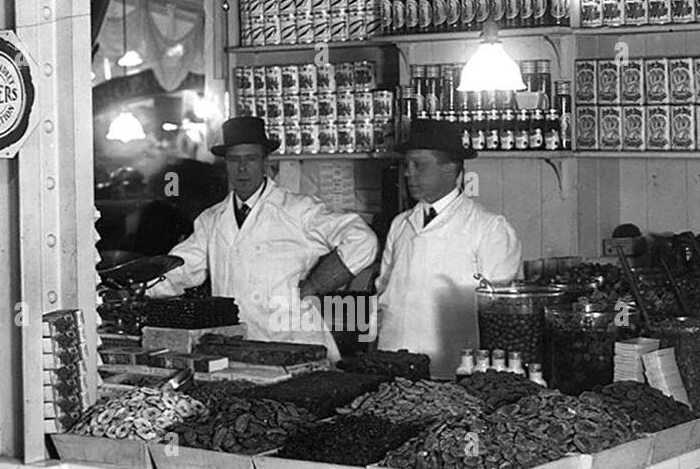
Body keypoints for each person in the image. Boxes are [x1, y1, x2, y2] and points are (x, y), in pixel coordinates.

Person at [149, 116, 377, 359]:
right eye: (235, 160)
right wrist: (137, 287)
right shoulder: (212, 220)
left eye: (251, 159)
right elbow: (180, 269)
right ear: (225, 164)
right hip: (237, 346)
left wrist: (315, 285)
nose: (242, 168)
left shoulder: (298, 210)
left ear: (265, 162)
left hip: (295, 344)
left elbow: (362, 239)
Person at [374, 117, 522, 377]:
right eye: (406, 165)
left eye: (418, 165)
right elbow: (384, 293)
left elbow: (500, 315)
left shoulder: (489, 228)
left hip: (451, 369)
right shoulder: (400, 225)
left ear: (450, 169)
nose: (408, 173)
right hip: (392, 364)